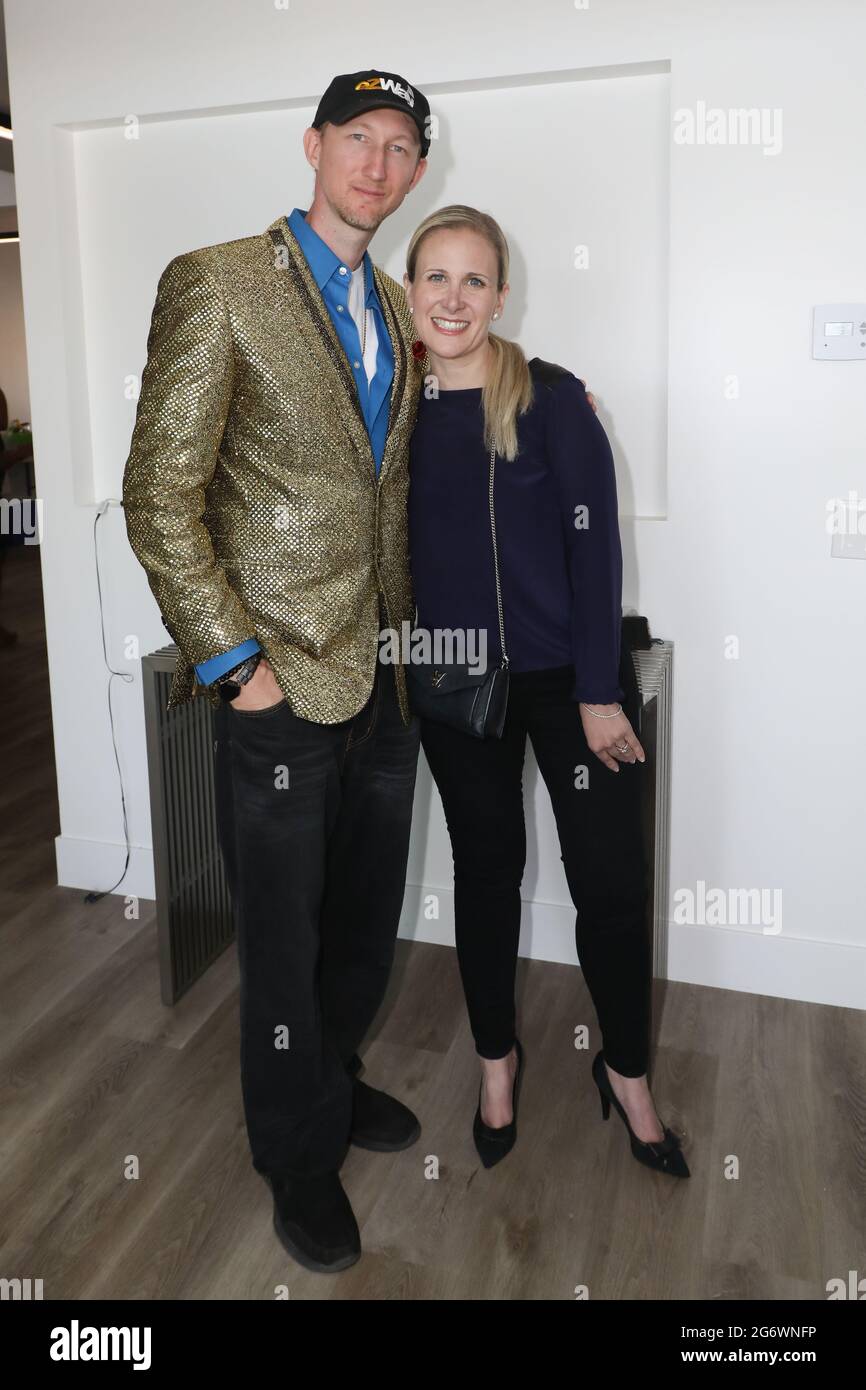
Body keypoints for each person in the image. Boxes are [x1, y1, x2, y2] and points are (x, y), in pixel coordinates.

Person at [122, 70, 435, 1274]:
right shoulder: (218, 282)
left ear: (416, 172)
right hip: (276, 690)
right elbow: (159, 497)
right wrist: (234, 665)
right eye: (357, 137)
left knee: (358, 927)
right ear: (312, 146)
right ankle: (295, 1158)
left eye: (400, 146)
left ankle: (334, 1082)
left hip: (384, 685)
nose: (376, 162)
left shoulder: (398, 303)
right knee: (284, 943)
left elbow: (382, 490)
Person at [403, 205, 689, 1179]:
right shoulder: (386, 411)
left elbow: (593, 545)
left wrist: (600, 689)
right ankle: (496, 1063)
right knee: (485, 880)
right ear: (409, 292)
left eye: (472, 279)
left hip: (571, 686)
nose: (453, 298)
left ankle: (627, 1072)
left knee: (607, 887)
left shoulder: (550, 397)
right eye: (434, 278)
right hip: (449, 683)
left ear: (500, 292)